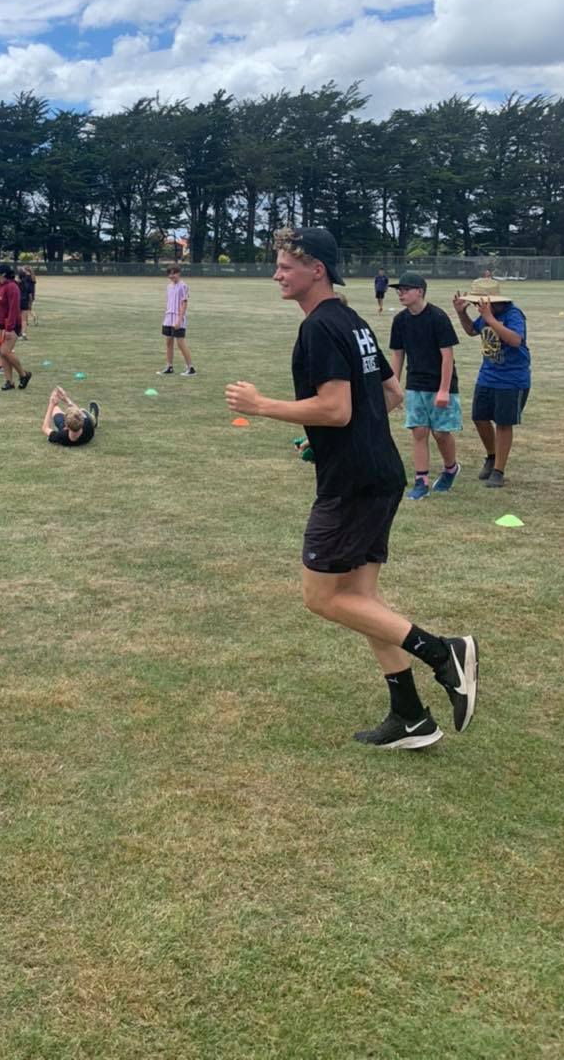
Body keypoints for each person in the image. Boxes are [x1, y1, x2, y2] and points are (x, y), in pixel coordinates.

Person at [225, 226, 479, 751]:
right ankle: (410, 717)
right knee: (362, 599)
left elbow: (337, 408)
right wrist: (324, 437)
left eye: (285, 266)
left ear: (316, 269)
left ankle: (442, 652)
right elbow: (389, 392)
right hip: (379, 473)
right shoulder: (353, 321)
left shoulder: (319, 327)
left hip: (354, 484)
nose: (276, 275)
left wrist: (262, 406)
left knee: (321, 597)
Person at [388, 272, 462, 499]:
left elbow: (447, 356)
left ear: (419, 291)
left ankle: (451, 468)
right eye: (399, 290)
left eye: (405, 289)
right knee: (419, 431)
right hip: (415, 384)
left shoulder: (438, 317)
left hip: (440, 384)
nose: (401, 294)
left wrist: (444, 390)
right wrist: (394, 388)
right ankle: (421, 481)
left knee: (440, 433)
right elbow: (397, 355)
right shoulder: (400, 320)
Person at [452, 285, 531, 488]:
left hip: (512, 378)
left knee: (503, 423)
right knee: (479, 417)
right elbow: (472, 330)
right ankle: (492, 456)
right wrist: (462, 313)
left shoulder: (513, 314)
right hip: (488, 375)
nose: (476, 305)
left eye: (479, 301)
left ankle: (498, 471)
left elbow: (515, 340)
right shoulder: (486, 314)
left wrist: (490, 318)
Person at [0, 264, 31, 391]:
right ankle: (9, 382)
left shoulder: (12, 287)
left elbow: (14, 309)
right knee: (3, 355)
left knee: (5, 351)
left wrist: (9, 328)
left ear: (2, 274)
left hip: (10, 325)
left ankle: (24, 374)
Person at [158, 265, 196, 376]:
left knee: (180, 343)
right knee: (168, 342)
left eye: (173, 273)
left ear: (178, 273)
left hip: (178, 317)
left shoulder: (183, 286)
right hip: (168, 317)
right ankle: (169, 367)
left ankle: (190, 368)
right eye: (169, 274)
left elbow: (184, 303)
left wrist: (179, 320)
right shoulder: (169, 286)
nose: (171, 276)